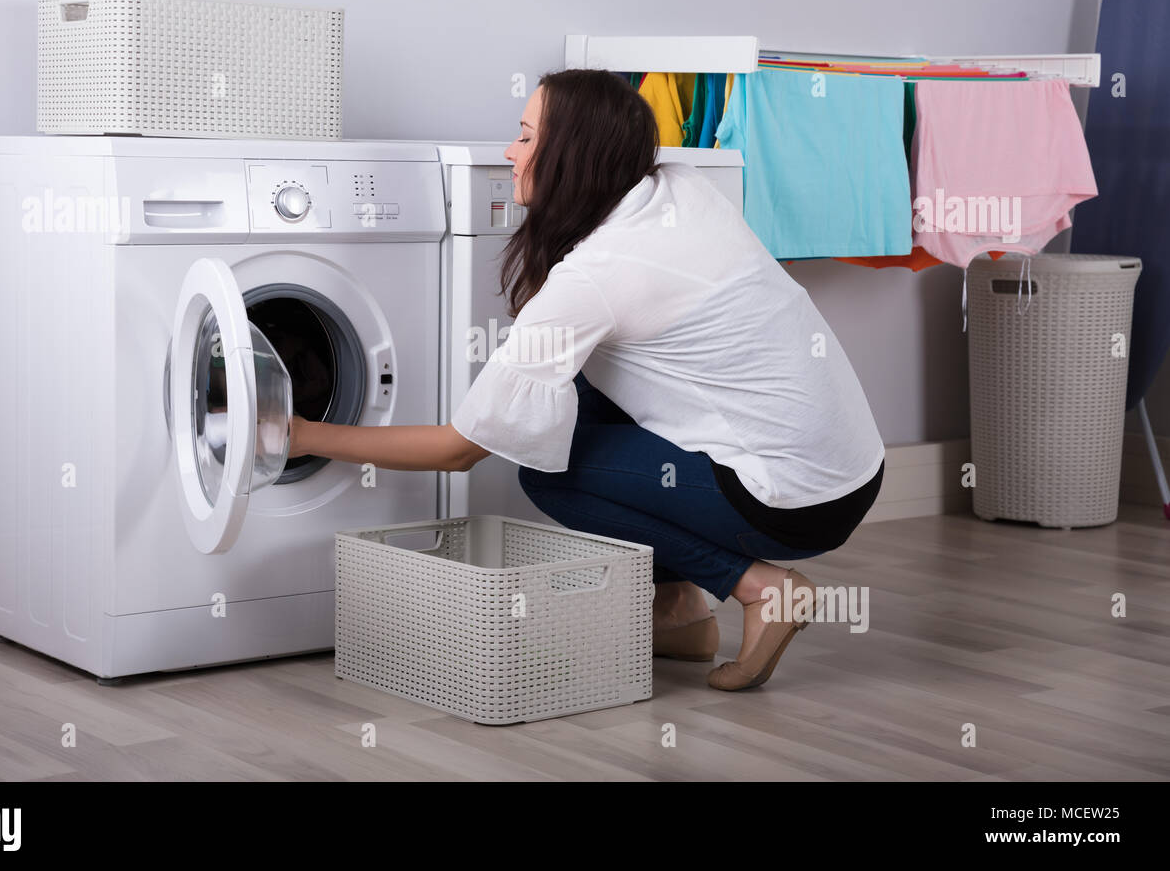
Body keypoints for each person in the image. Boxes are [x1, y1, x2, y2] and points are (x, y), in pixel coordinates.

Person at [291, 68, 885, 691]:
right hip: (852, 471)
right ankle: (680, 614)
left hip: (788, 502)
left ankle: (760, 586)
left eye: (524, 137)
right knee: (571, 395)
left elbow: (459, 450)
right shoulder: (677, 189)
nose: (509, 153)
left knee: (549, 474)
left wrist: (305, 435)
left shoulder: (596, 276)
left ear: (570, 154)